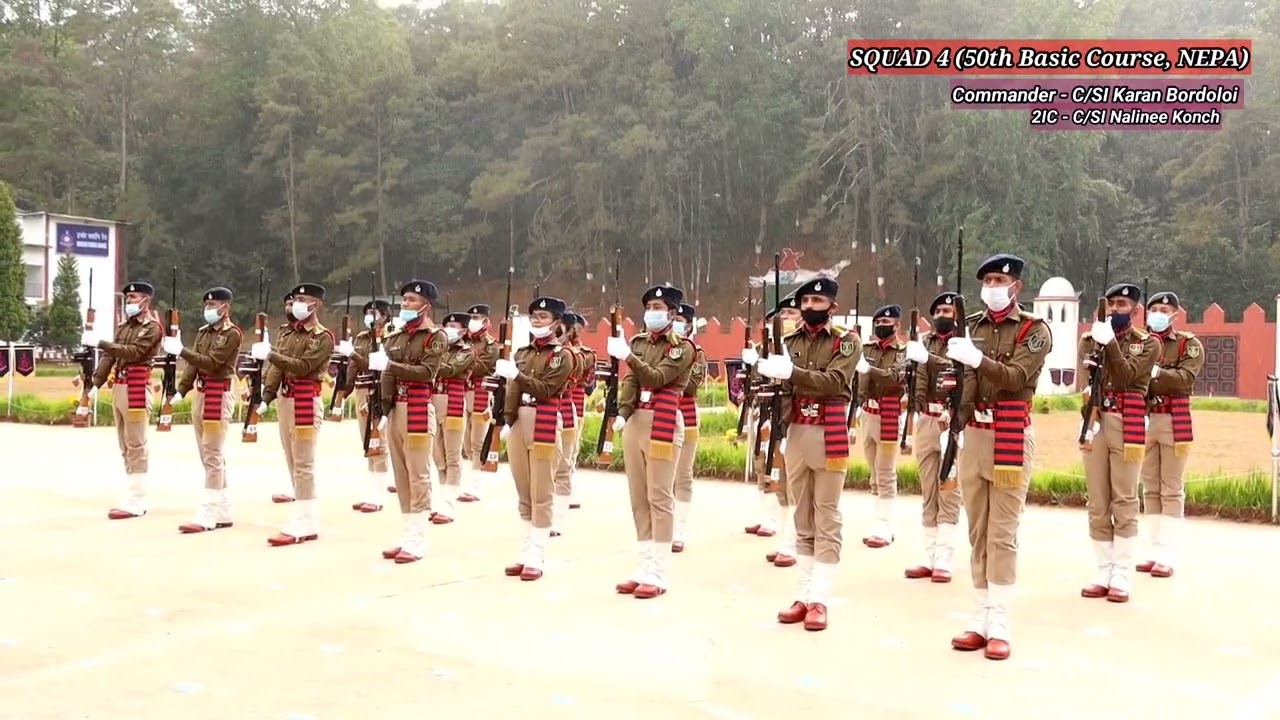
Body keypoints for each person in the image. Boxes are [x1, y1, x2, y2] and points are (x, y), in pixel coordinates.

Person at [945, 254, 1052, 661]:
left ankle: (1001, 620)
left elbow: (1015, 377)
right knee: (978, 530)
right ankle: (980, 616)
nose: (992, 286)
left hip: (1009, 431)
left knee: (1002, 532)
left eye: (999, 279)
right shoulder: (970, 326)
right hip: (975, 434)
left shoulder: (1033, 331)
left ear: (1015, 287)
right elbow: (965, 388)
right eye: (987, 279)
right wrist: (953, 423)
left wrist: (976, 359)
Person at [755, 277, 856, 631]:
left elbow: (834, 382)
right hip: (797, 430)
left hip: (830, 431)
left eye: (818, 300)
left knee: (826, 515)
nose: (811, 306)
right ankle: (803, 592)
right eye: (806, 301)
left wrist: (792, 372)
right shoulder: (789, 341)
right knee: (801, 515)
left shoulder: (847, 342)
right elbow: (782, 392)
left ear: (833, 305)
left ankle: (820, 599)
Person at [340, 280, 448, 562]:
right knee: (401, 475)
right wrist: (383, 410)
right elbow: (387, 378)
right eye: (404, 300)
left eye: (411, 300)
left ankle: (418, 538)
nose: (406, 305)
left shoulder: (435, 337)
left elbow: (426, 372)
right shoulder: (394, 337)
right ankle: (407, 531)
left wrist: (389, 366)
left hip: (417, 408)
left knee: (418, 474)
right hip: (397, 409)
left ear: (426, 305)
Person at [606, 284, 696, 599]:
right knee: (638, 497)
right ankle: (643, 565)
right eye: (649, 307)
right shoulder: (639, 341)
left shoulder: (682, 348)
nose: (652, 312)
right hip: (637, 421)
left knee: (660, 498)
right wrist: (622, 411)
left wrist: (628, 356)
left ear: (672, 313)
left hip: (664, 421)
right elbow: (631, 381)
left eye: (659, 307)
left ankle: (659, 572)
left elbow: (656, 378)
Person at [1077, 283, 1159, 603]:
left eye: (1122, 304)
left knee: (1124, 498)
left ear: (1135, 311)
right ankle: (1103, 568)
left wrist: (1109, 343)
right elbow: (1087, 382)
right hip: (1095, 419)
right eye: (1111, 304)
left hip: (1127, 422)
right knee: (1097, 500)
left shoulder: (1147, 344)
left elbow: (1126, 378)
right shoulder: (1088, 341)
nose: (1114, 309)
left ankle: (1122, 571)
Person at [493, 296, 572, 580]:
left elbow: (546, 389)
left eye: (543, 316)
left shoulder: (562, 356)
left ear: (556, 323)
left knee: (542, 491)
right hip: (521, 422)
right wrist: (507, 419)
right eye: (534, 316)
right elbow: (513, 390)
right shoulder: (523, 353)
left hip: (545, 420)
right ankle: (525, 551)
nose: (537, 321)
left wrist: (516, 375)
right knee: (524, 490)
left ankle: (537, 555)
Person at [251, 284, 336, 546]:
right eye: (295, 299)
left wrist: (271, 355)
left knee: (304, 463)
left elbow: (302, 368)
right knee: (292, 459)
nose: (296, 304)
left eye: (302, 299)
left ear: (316, 305)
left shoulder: (322, 337)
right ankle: (303, 513)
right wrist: (266, 397)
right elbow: (277, 370)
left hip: (305, 402)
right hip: (286, 401)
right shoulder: (287, 332)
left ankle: (307, 520)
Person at [83, 281, 163, 520]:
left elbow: (133, 353)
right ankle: (132, 491)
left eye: (134, 298)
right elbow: (110, 356)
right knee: (124, 443)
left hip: (137, 386)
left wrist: (101, 342)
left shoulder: (152, 328)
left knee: (136, 442)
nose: (129, 302)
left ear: (146, 301)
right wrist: (95, 384)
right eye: (127, 299)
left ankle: (137, 499)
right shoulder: (123, 327)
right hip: (120, 385)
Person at [166, 286, 242, 533]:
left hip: (217, 394)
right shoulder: (203, 333)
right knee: (208, 453)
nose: (208, 309)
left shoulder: (232, 335)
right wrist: (181, 389)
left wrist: (182, 351)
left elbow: (211, 364)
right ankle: (222, 507)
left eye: (213, 305)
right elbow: (192, 367)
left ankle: (208, 513)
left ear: (225, 307)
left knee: (212, 452)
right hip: (201, 393)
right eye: (206, 305)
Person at [1138, 292, 1204, 578]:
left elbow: (1184, 379)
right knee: (1150, 487)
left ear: (1175, 314)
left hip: (1173, 419)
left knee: (1171, 488)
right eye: (1153, 309)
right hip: (1144, 418)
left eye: (1164, 309)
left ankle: (1168, 553)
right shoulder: (1140, 343)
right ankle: (1154, 549)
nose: (1157, 314)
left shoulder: (1188, 345)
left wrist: (1153, 371)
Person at [902, 292, 964, 582]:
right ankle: (929, 554)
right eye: (938, 310)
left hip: (952, 420)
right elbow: (912, 378)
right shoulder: (923, 343)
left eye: (948, 310)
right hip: (927, 418)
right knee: (928, 489)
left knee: (949, 489)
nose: (943, 315)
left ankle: (945, 558)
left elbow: (960, 371)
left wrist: (929, 359)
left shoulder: (964, 342)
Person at [741, 293, 800, 550]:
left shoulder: (797, 348)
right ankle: (767, 516)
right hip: (762, 412)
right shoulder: (763, 347)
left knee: (784, 472)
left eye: (791, 314)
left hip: (786, 415)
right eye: (781, 315)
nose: (785, 318)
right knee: (762, 465)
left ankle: (784, 527)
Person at [855, 304, 907, 548]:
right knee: (874, 473)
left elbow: (894, 377)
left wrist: (869, 369)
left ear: (897, 326)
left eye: (887, 324)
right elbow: (858, 381)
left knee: (885, 472)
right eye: (879, 323)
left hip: (888, 414)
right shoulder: (866, 349)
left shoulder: (902, 352)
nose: (882, 327)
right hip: (868, 413)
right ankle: (878, 522)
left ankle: (885, 527)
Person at [343, 299, 393, 511]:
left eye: (374, 312)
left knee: (378, 442)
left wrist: (352, 354)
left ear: (384, 315)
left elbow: (376, 366)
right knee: (367, 440)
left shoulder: (389, 338)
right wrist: (343, 391)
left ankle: (378, 495)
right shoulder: (363, 337)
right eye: (367, 312)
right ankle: (371, 490)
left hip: (378, 389)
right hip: (362, 390)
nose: (370, 316)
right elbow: (354, 366)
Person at [430, 312, 477, 524]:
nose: (449, 328)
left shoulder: (466, 352)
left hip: (454, 404)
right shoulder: (436, 347)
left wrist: (427, 362)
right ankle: (442, 499)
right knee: (437, 455)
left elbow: (449, 370)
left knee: (452, 455)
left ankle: (449, 504)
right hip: (433, 401)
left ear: (464, 330)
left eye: (454, 325)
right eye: (446, 324)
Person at [670, 303, 707, 553]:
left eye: (681, 319)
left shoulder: (697, 352)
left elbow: (691, 385)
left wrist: (664, 375)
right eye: (673, 317)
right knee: (662, 477)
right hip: (660, 416)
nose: (676, 323)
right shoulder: (658, 348)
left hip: (686, 415)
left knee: (682, 475)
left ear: (690, 325)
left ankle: (679, 529)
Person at [551, 311, 588, 535]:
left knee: (565, 462)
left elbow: (585, 377)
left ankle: (557, 517)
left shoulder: (581, 354)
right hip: (542, 412)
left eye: (560, 327)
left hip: (566, 409)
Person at [460, 303, 500, 502]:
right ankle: (471, 477)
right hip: (461, 392)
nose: (473, 322)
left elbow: (481, 367)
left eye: (477, 318)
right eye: (471, 319)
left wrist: (460, 362)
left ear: (486, 321)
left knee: (478, 441)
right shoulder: (462, 340)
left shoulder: (492, 345)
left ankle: (476, 484)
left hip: (480, 393)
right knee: (465, 442)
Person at [567, 312, 597, 510]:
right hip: (551, 406)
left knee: (571, 451)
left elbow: (589, 387)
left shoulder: (586, 354)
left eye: (578, 329)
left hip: (575, 408)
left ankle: (567, 487)